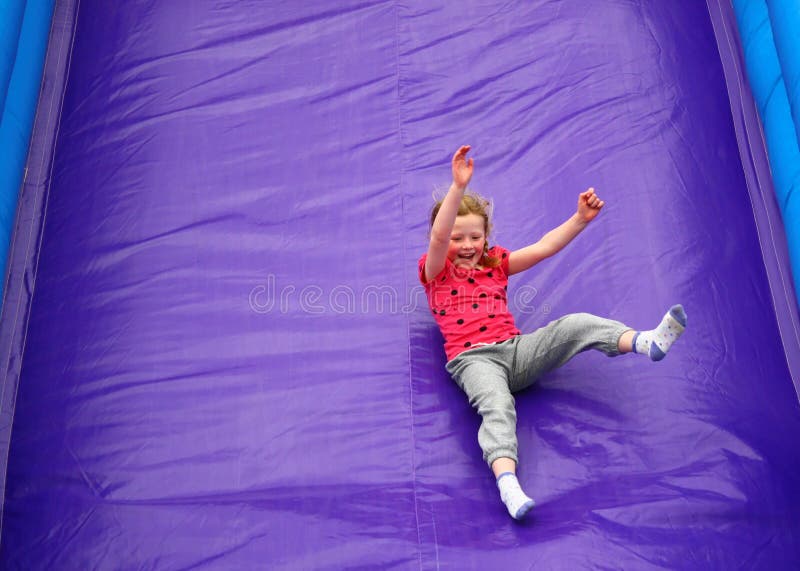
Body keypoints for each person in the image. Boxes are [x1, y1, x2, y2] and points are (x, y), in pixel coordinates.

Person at [418, 145, 686, 520]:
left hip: (516, 351)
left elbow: (543, 248)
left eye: (474, 237)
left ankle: (645, 342)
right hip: (475, 361)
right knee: (497, 407)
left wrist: (579, 219)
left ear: (486, 237)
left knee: (573, 324)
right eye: (458, 239)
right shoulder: (437, 272)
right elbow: (438, 239)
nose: (466, 246)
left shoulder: (495, 263)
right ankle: (508, 483)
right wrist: (458, 188)